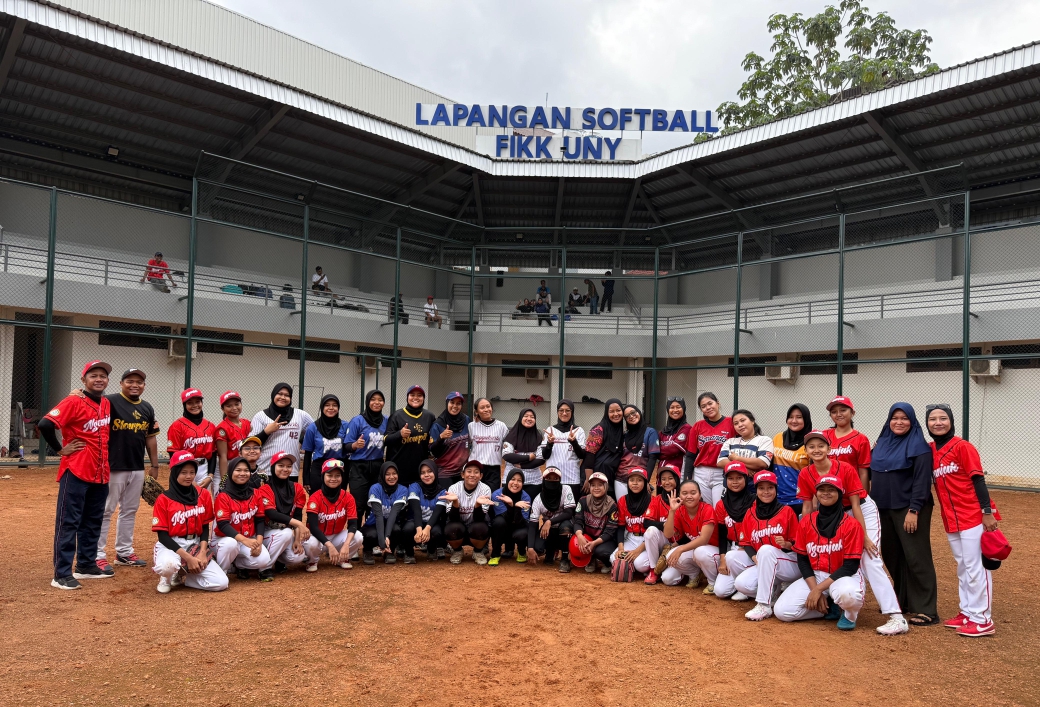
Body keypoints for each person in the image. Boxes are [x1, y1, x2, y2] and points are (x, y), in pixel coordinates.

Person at [799, 430, 908, 635]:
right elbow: (807, 507)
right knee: (830, 555)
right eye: (811, 446)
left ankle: (896, 617)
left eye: (821, 445)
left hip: (858, 510)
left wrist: (865, 537)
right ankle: (838, 606)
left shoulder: (845, 468)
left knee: (869, 557)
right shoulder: (806, 473)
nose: (816, 450)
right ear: (806, 451)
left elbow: (855, 505)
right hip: (830, 513)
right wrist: (805, 533)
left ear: (829, 448)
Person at [926, 404, 1000, 637]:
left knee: (977, 568)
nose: (938, 422)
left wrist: (986, 512)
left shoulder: (963, 447)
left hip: (973, 515)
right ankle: (967, 612)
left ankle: (983, 619)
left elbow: (978, 480)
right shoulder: (931, 450)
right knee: (963, 567)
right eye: (932, 419)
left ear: (951, 421)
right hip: (951, 518)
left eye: (943, 418)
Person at [38, 360, 114, 589]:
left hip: (100, 472)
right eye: (94, 375)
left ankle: (86, 565)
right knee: (68, 521)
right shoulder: (73, 401)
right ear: (84, 380)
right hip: (77, 469)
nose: (99, 379)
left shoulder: (107, 404)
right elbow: (45, 424)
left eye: (103, 375)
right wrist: (59, 449)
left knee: (92, 520)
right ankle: (61, 573)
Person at [870, 403, 938, 627]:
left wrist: (914, 510)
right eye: (895, 417)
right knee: (892, 556)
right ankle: (902, 601)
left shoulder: (920, 447)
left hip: (909, 508)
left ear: (912, 421)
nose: (899, 422)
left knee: (916, 556)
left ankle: (926, 608)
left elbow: (921, 481)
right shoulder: (880, 444)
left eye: (904, 418)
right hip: (883, 508)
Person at [774, 475, 865, 630]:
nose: (826, 493)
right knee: (782, 612)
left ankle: (849, 615)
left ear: (840, 493)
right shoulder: (807, 521)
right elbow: (802, 559)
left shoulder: (852, 524)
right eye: (822, 490)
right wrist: (815, 588)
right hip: (816, 574)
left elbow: (850, 565)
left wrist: (818, 589)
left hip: (843, 576)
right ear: (816, 494)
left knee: (849, 595)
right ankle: (827, 608)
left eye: (831, 490)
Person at [95, 368, 159, 573]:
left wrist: (155, 464)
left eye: (139, 382)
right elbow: (89, 403)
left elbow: (150, 437)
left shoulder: (147, 407)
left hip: (136, 466)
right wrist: (78, 392)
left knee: (129, 511)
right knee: (105, 510)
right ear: (121, 383)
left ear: (144, 386)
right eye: (130, 381)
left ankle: (123, 552)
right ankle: (96, 555)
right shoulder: (109, 401)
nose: (135, 385)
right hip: (112, 466)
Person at [150, 451, 228, 593]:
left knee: (221, 583)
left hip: (195, 543)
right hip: (170, 545)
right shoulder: (163, 499)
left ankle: (184, 575)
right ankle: (167, 577)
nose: (189, 476)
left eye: (192, 472)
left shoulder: (202, 494)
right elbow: (162, 536)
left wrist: (202, 552)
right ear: (175, 473)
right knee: (167, 565)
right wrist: (189, 559)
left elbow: (205, 527)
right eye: (183, 472)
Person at [732, 471, 801, 620]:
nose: (766, 492)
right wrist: (755, 557)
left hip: (789, 563)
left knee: (766, 550)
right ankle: (775, 592)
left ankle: (763, 605)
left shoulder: (787, 511)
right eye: (761, 488)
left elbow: (799, 544)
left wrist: (788, 544)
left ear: (776, 489)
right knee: (742, 584)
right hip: (766, 562)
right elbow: (746, 543)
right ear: (756, 490)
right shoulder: (750, 513)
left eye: (770, 488)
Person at [211, 457, 273, 581]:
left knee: (264, 560)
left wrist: (258, 543)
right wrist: (245, 541)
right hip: (223, 540)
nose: (242, 473)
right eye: (238, 470)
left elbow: (260, 519)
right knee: (231, 544)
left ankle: (237, 564)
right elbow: (223, 525)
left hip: (248, 539)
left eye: (246, 470)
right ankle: (222, 569)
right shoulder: (223, 496)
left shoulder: (256, 493)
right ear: (230, 472)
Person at [701, 461, 756, 597]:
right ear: (725, 480)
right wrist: (723, 559)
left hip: (752, 549)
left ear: (746, 478)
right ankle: (741, 585)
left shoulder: (755, 501)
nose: (735, 482)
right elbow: (722, 534)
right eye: (730, 478)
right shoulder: (721, 504)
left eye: (739, 478)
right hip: (732, 549)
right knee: (720, 591)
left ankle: (747, 587)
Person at [257, 451, 315, 576]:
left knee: (297, 557)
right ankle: (264, 568)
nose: (285, 469)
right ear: (273, 467)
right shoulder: (265, 488)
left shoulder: (297, 488)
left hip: (283, 532)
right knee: (286, 533)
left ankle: (277, 559)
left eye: (289, 466)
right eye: (281, 466)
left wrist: (298, 540)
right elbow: (271, 513)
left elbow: (298, 514)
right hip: (266, 531)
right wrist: (298, 524)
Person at [657, 479, 718, 587]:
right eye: (684, 493)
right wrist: (672, 511)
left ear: (700, 495)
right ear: (679, 496)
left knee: (700, 552)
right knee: (670, 557)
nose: (689, 496)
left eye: (693, 493)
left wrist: (681, 549)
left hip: (712, 551)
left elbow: (704, 539)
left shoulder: (707, 509)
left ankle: (712, 582)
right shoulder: (680, 511)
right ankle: (695, 574)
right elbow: (668, 534)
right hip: (697, 550)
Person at [305, 459, 364, 571]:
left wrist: (346, 544)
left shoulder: (348, 497)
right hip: (318, 537)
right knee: (310, 543)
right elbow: (313, 527)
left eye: (337, 475)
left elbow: (353, 524)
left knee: (358, 537)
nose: (333, 479)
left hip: (337, 536)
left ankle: (343, 559)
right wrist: (330, 546)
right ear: (323, 476)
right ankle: (312, 560)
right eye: (329, 475)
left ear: (342, 478)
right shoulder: (315, 497)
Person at [250, 384, 314, 482]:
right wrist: (266, 431)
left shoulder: (300, 415)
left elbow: (314, 431)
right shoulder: (261, 416)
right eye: (279, 394)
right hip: (265, 470)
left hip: (290, 470)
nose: (283, 397)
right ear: (273, 395)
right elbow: (251, 444)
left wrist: (302, 442)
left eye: (287, 395)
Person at [345, 390, 388, 525]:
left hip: (378, 466)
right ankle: (355, 537)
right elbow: (346, 445)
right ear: (367, 402)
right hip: (359, 467)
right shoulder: (357, 421)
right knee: (358, 504)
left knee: (374, 503)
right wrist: (355, 445)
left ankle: (370, 537)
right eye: (373, 399)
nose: (376, 402)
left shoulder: (386, 421)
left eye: (380, 400)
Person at [686, 392, 736, 506]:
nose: (708, 408)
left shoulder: (731, 423)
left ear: (717, 403)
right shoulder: (698, 426)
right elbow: (690, 455)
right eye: (703, 406)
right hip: (701, 473)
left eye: (710, 403)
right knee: (705, 509)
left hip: (721, 472)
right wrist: (687, 479)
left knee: (719, 508)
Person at [441, 459, 495, 565]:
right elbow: (452, 518)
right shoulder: (454, 488)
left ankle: (478, 551)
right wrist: (455, 502)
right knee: (451, 528)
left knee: (481, 527)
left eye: (476, 472)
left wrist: (477, 505)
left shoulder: (485, 489)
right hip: (458, 526)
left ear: (481, 476)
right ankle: (457, 551)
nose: (472, 475)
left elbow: (479, 518)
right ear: (462, 474)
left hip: (475, 526)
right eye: (469, 471)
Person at [383, 384, 436, 487]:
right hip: (399, 470)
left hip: (420, 470)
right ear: (407, 397)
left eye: (419, 395)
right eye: (412, 394)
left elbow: (433, 439)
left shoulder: (429, 416)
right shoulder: (397, 415)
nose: (415, 398)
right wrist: (399, 434)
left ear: (423, 399)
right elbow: (386, 439)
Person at [526, 467, 576, 572]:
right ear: (543, 480)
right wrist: (530, 548)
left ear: (560, 480)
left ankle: (564, 559)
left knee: (565, 527)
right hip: (549, 531)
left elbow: (569, 513)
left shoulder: (566, 489)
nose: (552, 481)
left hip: (564, 525)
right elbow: (532, 525)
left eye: (555, 478)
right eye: (548, 478)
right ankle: (551, 551)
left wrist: (549, 521)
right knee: (537, 548)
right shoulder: (538, 499)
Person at [167, 388, 217, 490]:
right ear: (184, 405)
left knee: (203, 501)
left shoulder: (210, 426)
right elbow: (173, 454)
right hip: (184, 470)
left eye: (197, 402)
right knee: (184, 503)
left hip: (204, 469)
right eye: (190, 403)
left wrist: (210, 476)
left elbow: (213, 453)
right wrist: (186, 476)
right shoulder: (176, 426)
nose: (195, 405)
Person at [640, 465, 682, 584]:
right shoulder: (657, 499)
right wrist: (665, 524)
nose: (666, 482)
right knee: (651, 531)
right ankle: (653, 570)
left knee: (668, 579)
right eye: (663, 479)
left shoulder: (684, 498)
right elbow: (646, 522)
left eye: (670, 478)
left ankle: (688, 572)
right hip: (663, 541)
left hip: (680, 543)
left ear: (677, 479)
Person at [610, 467, 656, 576]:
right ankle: (630, 567)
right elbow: (621, 527)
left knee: (640, 564)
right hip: (631, 538)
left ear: (645, 483)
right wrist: (621, 548)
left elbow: (654, 532)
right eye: (632, 480)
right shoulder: (623, 500)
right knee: (613, 558)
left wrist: (637, 551)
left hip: (647, 540)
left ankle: (637, 566)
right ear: (628, 482)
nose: (635, 483)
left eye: (639, 480)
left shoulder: (653, 500)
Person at [572, 471, 619, 574]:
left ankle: (607, 563)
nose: (596, 488)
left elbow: (610, 532)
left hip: (604, 540)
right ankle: (590, 559)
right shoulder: (583, 501)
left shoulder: (612, 505)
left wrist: (594, 543)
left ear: (606, 487)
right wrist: (580, 536)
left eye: (600, 485)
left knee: (601, 551)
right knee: (575, 540)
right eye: (593, 485)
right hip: (588, 537)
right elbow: (578, 521)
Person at [300, 394, 349, 493]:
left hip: (339, 468)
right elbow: (308, 454)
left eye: (334, 405)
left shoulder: (345, 426)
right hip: (319, 469)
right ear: (322, 407)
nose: (331, 408)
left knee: (338, 501)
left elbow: (348, 450)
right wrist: (306, 479)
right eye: (327, 405)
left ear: (338, 408)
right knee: (318, 499)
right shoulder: (313, 427)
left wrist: (346, 475)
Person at [362, 461, 409, 564]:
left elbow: (393, 514)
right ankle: (368, 550)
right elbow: (378, 515)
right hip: (373, 524)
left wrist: (386, 536)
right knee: (371, 535)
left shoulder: (403, 490)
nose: (391, 477)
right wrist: (381, 540)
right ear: (382, 475)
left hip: (391, 523)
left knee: (396, 529)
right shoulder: (375, 488)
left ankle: (389, 551)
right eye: (387, 474)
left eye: (394, 473)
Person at [541, 399, 587, 500]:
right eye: (561, 410)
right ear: (557, 412)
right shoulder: (550, 430)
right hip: (552, 477)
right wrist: (550, 443)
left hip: (572, 478)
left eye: (568, 410)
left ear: (572, 412)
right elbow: (545, 456)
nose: (564, 413)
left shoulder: (578, 430)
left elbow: (582, 455)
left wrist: (574, 442)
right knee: (552, 509)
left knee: (571, 510)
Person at [772, 404, 812, 516]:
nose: (794, 420)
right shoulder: (778, 437)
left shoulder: (811, 442)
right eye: (790, 417)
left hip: (800, 500)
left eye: (799, 417)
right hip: (776, 499)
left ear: (806, 419)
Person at [583, 399, 626, 499]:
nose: (616, 414)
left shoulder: (621, 430)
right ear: (606, 413)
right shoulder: (599, 429)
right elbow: (589, 454)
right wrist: (589, 480)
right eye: (611, 411)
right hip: (596, 479)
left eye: (618, 410)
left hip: (611, 478)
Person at [408, 460, 449, 562]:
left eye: (429, 471)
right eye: (423, 473)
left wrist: (427, 529)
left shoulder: (442, 491)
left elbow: (437, 513)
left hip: (432, 523)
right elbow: (416, 510)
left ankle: (431, 550)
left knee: (436, 531)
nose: (426, 475)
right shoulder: (415, 486)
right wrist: (419, 529)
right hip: (416, 521)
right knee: (407, 529)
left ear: (435, 472)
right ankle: (409, 553)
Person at [430, 392, 471, 489]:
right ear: (447, 403)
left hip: (462, 471)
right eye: (452, 402)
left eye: (458, 403)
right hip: (445, 473)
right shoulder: (438, 424)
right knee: (448, 500)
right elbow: (433, 452)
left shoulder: (466, 420)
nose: (455, 406)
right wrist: (441, 438)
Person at [489, 469, 531, 565]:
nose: (515, 483)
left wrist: (514, 506)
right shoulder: (497, 495)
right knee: (499, 522)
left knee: (523, 532)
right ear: (507, 480)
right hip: (503, 528)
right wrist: (512, 505)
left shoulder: (525, 497)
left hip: (518, 526)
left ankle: (521, 551)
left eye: (519, 480)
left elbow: (522, 522)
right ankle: (495, 554)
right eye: (513, 479)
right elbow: (501, 518)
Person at [618, 404, 660, 500]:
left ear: (639, 412)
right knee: (622, 509)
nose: (631, 416)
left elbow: (652, 458)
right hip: (621, 479)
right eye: (627, 416)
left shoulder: (650, 432)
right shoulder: (625, 435)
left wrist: (646, 481)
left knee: (641, 510)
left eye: (633, 412)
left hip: (640, 479)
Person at [502, 408, 544, 500]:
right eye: (526, 416)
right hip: (512, 481)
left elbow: (540, 460)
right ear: (520, 418)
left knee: (529, 510)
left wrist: (521, 466)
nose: (529, 419)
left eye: (532, 417)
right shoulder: (511, 435)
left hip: (533, 481)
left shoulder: (539, 437)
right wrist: (528, 457)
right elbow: (507, 456)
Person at [716, 409, 774, 473]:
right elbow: (720, 462)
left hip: (754, 482)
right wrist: (745, 470)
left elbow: (762, 463)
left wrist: (736, 459)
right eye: (736, 423)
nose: (740, 425)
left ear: (752, 421)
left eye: (742, 420)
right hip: (732, 482)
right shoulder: (730, 442)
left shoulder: (765, 440)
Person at [468, 397, 508, 491]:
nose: (486, 409)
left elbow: (507, 446)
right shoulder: (471, 426)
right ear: (476, 411)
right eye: (482, 407)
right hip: (475, 467)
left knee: (490, 496)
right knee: (474, 495)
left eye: (488, 406)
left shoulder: (501, 426)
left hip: (493, 468)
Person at [215, 391, 251, 488]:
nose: (234, 408)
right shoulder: (222, 428)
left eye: (237, 404)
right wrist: (224, 480)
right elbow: (223, 456)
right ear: (222, 409)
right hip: (227, 465)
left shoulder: (247, 423)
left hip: (243, 464)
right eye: (229, 406)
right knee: (224, 495)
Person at [658, 396, 693, 481]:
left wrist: (660, 451)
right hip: (661, 475)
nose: (675, 410)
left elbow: (674, 449)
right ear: (667, 410)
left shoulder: (686, 428)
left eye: (678, 407)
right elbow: (655, 451)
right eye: (672, 407)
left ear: (683, 409)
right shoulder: (663, 431)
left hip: (677, 475)